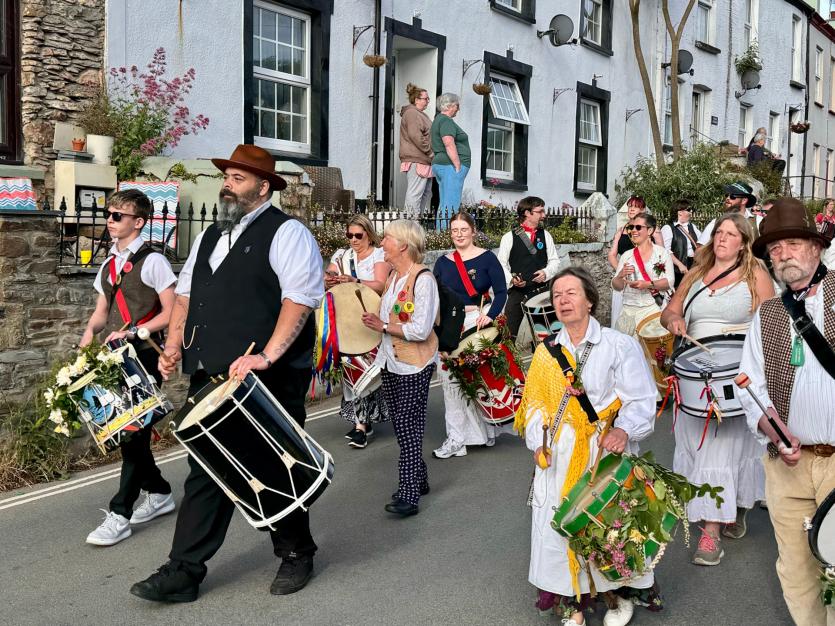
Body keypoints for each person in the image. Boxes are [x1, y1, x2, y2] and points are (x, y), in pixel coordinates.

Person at [130, 144, 325, 602]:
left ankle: (296, 552)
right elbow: (185, 294)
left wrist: (268, 356)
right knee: (207, 465)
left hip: (267, 375)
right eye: (227, 177)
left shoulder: (288, 232)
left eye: (238, 179)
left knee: (274, 464)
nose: (227, 185)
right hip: (212, 369)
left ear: (263, 187)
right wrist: (174, 345)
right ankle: (184, 570)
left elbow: (299, 300)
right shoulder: (212, 235)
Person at [516, 266, 660, 626]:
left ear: (590, 301)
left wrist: (624, 431)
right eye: (556, 296)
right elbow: (533, 404)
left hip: (605, 450)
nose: (562, 301)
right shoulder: (547, 352)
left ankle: (616, 592)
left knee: (610, 523)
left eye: (571, 293)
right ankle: (571, 598)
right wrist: (538, 442)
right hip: (560, 454)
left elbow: (642, 399)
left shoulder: (618, 344)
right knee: (562, 520)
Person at [738, 197, 835, 626]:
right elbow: (750, 386)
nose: (783, 254)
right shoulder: (767, 315)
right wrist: (775, 432)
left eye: (793, 243)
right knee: (796, 572)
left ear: (816, 248)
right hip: (788, 466)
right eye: (774, 249)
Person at [661, 213, 774, 566]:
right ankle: (732, 505)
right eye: (719, 232)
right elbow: (670, 311)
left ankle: (711, 532)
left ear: (744, 241)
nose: (722, 238)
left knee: (720, 448)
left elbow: (771, 322)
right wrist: (675, 320)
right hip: (694, 368)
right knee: (696, 443)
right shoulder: (695, 273)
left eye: (730, 234)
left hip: (735, 369)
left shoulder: (756, 274)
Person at [79, 189, 177, 546]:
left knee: (134, 430)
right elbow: (102, 312)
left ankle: (120, 513)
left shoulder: (154, 261)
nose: (110, 219)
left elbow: (172, 311)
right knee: (127, 431)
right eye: (109, 213)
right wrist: (89, 334)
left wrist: (140, 329)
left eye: (118, 215)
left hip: (145, 355)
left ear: (138, 222)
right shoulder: (108, 264)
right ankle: (160, 491)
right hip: (114, 356)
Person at [360, 220, 439, 517]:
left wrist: (383, 325)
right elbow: (388, 317)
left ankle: (409, 495)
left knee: (409, 429)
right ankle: (420, 479)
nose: (381, 243)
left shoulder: (423, 280)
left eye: (387, 238)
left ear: (403, 245)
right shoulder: (393, 276)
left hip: (414, 365)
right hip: (391, 362)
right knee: (402, 424)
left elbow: (420, 329)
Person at [432, 211, 508, 459]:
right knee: (450, 384)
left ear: (473, 231)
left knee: (476, 380)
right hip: (449, 325)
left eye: (464, 229)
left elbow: (501, 292)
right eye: (455, 230)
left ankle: (483, 431)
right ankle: (457, 439)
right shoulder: (443, 262)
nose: (459, 235)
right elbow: (435, 298)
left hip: (475, 322)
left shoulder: (487, 258)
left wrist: (491, 315)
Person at [324, 215, 390, 449]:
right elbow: (327, 276)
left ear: (368, 235)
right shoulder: (342, 256)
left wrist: (355, 279)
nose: (353, 240)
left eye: (358, 235)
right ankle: (362, 423)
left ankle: (364, 422)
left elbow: (381, 284)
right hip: (347, 322)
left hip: (370, 319)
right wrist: (330, 280)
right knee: (351, 372)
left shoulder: (378, 255)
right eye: (349, 235)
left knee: (367, 372)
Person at [497, 196, 560, 340]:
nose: (544, 215)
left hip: (542, 292)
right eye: (540, 211)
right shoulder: (509, 237)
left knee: (548, 336)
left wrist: (546, 272)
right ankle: (510, 362)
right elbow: (501, 264)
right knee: (508, 335)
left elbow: (555, 261)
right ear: (527, 212)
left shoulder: (546, 235)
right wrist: (512, 280)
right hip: (518, 292)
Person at [612, 213, 674, 337]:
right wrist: (620, 276)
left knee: (651, 354)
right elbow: (617, 287)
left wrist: (648, 284)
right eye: (631, 227)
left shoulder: (661, 253)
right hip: (628, 313)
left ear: (650, 230)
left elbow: (669, 282)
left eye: (638, 227)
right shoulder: (627, 255)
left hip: (651, 310)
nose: (633, 231)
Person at [607, 196, 662, 327]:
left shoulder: (652, 230)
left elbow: (661, 255)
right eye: (630, 206)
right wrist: (621, 271)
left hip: (646, 279)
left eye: (636, 206)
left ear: (643, 210)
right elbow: (612, 254)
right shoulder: (621, 230)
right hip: (625, 280)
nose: (631, 209)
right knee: (622, 319)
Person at [431, 93, 470, 229]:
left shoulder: (438, 120)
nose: (458, 109)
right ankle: (448, 235)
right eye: (457, 106)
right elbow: (448, 142)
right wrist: (457, 164)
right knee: (451, 204)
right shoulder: (445, 120)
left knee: (445, 203)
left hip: (443, 165)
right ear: (450, 105)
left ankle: (441, 235)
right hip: (449, 166)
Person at [399, 83, 434, 218]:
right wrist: (430, 152)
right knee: (415, 192)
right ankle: (409, 225)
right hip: (417, 159)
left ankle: (415, 223)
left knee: (425, 193)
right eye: (426, 98)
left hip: (424, 160)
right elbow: (416, 136)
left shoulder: (420, 114)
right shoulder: (412, 113)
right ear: (417, 100)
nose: (428, 101)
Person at [660, 199, 702, 289]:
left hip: (693, 264)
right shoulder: (668, 228)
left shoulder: (692, 226)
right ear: (680, 212)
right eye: (688, 210)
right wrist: (679, 264)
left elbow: (702, 242)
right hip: (677, 268)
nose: (691, 212)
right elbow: (666, 250)